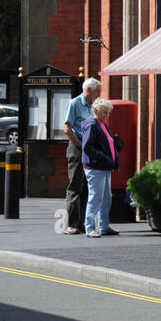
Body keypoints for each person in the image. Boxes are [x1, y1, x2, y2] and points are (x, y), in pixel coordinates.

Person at [63, 78, 102, 235]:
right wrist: (79, 144)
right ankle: (72, 224)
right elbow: (67, 128)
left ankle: (84, 223)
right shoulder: (75, 103)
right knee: (75, 186)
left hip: (89, 149)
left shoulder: (94, 106)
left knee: (87, 187)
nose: (99, 94)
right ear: (89, 90)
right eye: (97, 91)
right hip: (77, 149)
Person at [80, 97, 120, 238]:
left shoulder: (101, 124)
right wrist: (104, 156)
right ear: (96, 110)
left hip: (104, 167)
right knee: (96, 197)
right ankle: (90, 227)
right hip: (95, 168)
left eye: (108, 112)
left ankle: (103, 226)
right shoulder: (91, 125)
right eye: (104, 112)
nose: (107, 115)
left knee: (106, 198)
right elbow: (87, 148)